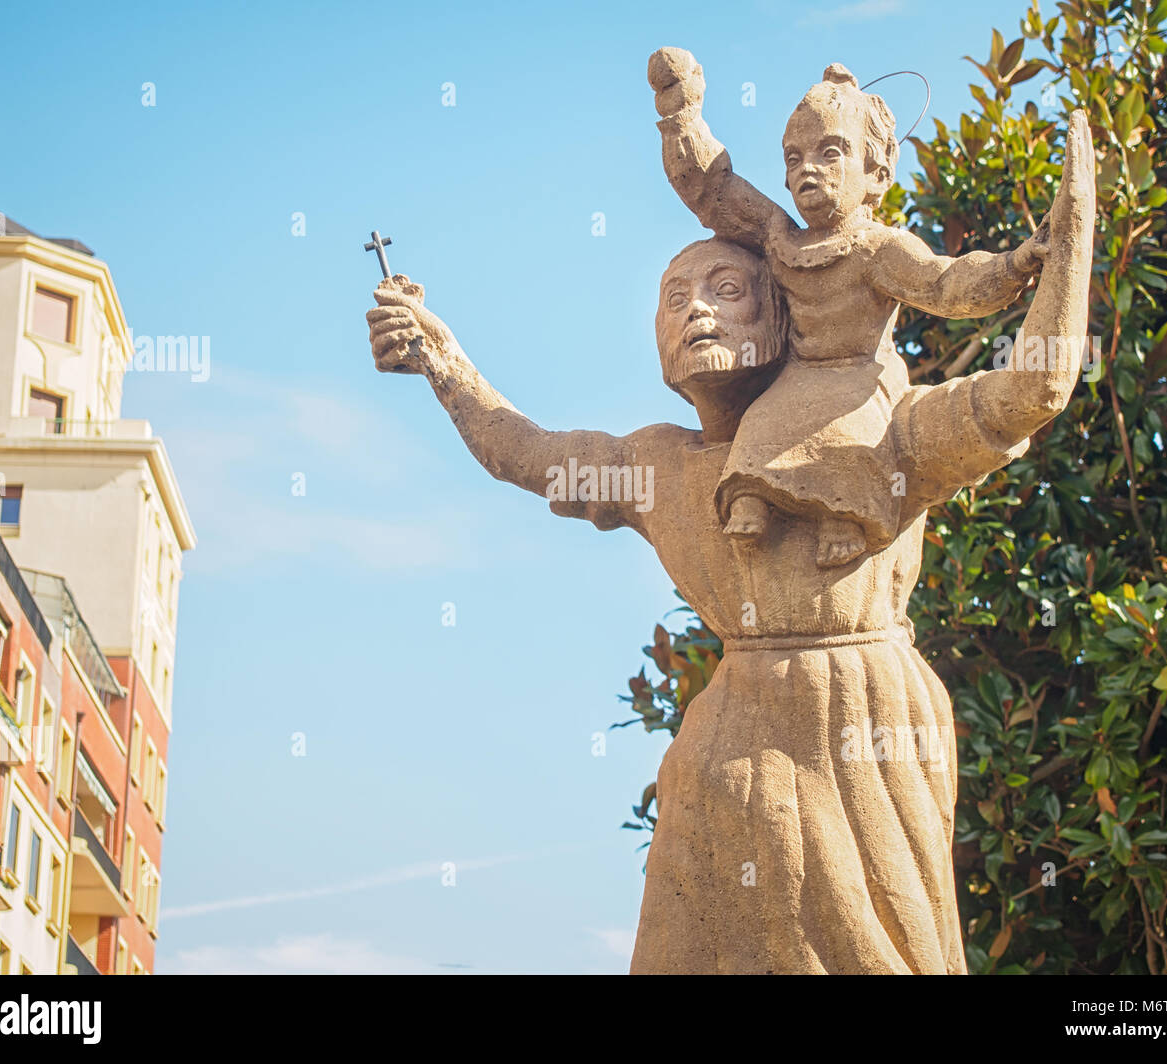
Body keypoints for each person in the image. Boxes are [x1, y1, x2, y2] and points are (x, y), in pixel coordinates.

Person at [365, 111, 1092, 970]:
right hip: (726, 750)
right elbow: (524, 453)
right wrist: (441, 362)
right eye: (675, 299)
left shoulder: (881, 437)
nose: (696, 313)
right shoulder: (656, 471)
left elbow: (1035, 388)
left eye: (726, 291)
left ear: (786, 319)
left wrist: (1066, 247)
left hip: (863, 727)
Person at [648, 48, 1052, 564]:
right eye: (794, 158)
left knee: (851, 436)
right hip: (802, 374)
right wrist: (680, 115)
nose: (807, 171)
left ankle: (847, 516)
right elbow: (716, 191)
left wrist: (1017, 264)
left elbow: (947, 284)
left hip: (862, 377)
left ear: (876, 172)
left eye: (830, 153)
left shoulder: (880, 249)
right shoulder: (779, 237)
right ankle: (752, 498)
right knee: (764, 419)